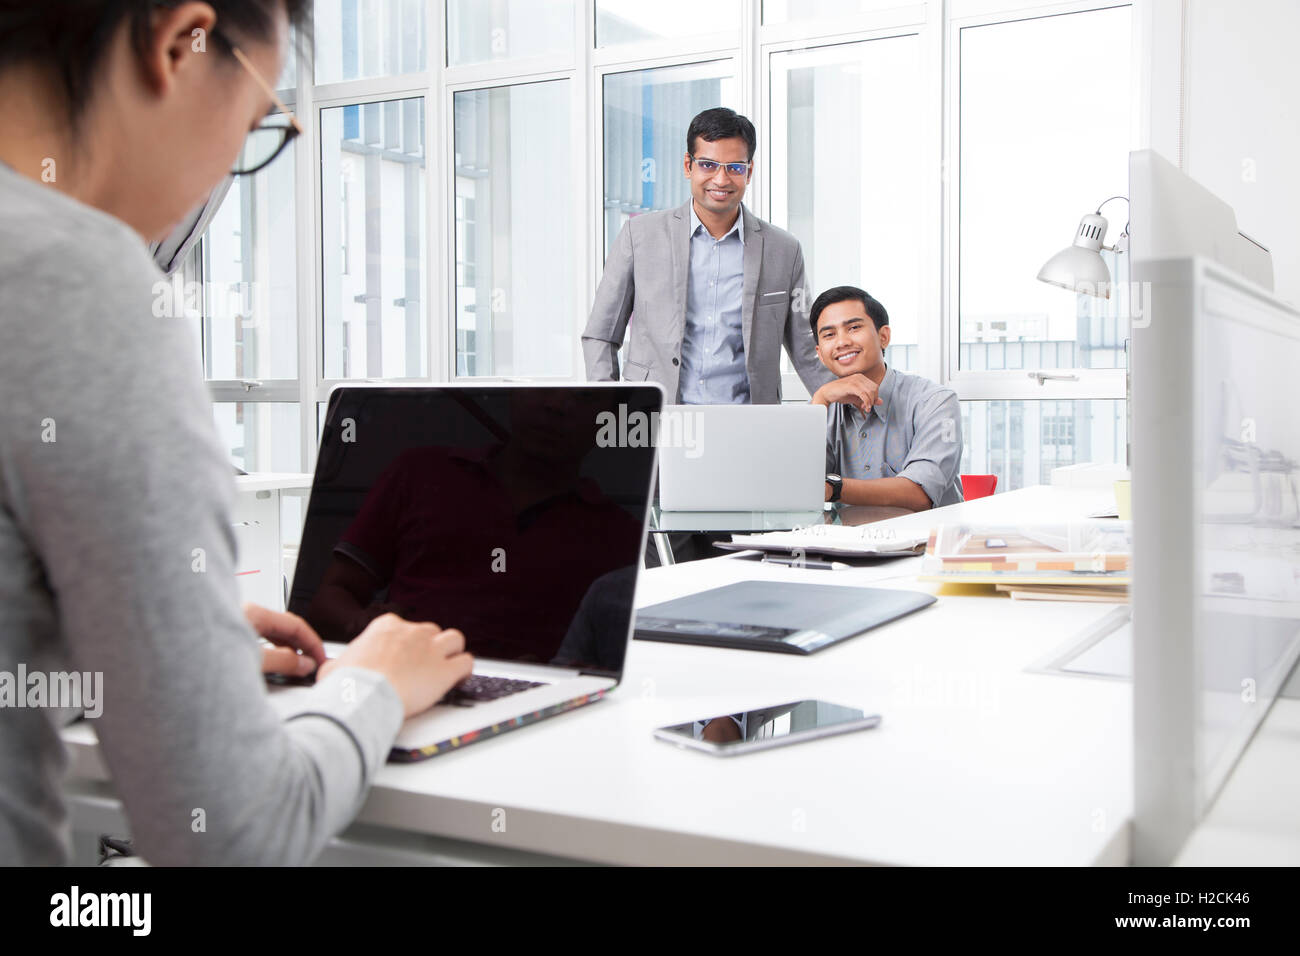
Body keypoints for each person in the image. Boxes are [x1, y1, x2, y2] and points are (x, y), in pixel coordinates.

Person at [0, 0, 472, 865]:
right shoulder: (80, 283)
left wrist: (161, 657)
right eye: (255, 127)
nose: (222, 173)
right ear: (179, 44)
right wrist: (370, 686)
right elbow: (236, 834)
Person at [581, 106, 831, 405]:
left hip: (748, 419)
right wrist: (610, 409)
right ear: (689, 165)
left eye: (735, 167)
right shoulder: (640, 236)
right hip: (656, 416)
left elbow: (806, 346)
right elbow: (602, 333)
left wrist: (847, 401)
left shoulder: (784, 249)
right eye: (708, 165)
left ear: (749, 172)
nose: (721, 179)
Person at [809, 286, 964, 509]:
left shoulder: (936, 402)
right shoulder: (820, 408)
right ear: (820, 354)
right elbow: (793, 483)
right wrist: (821, 399)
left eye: (853, 328)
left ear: (884, 337)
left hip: (925, 542)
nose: (842, 342)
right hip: (846, 542)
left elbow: (919, 494)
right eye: (829, 335)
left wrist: (834, 488)